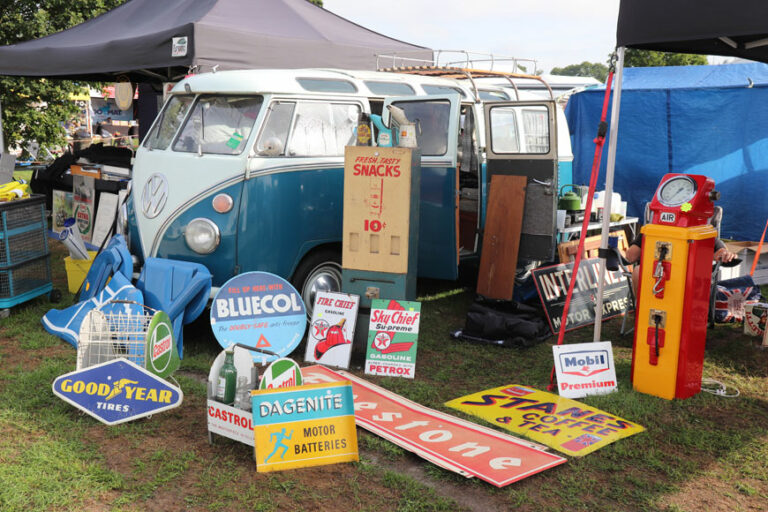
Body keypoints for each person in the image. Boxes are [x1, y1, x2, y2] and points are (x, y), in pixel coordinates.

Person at [625, 231, 736, 294]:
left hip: (685, 275)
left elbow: (719, 252)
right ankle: (641, 312)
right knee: (638, 271)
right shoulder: (653, 228)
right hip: (657, 272)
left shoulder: (698, 230)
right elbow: (631, 257)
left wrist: (726, 254)